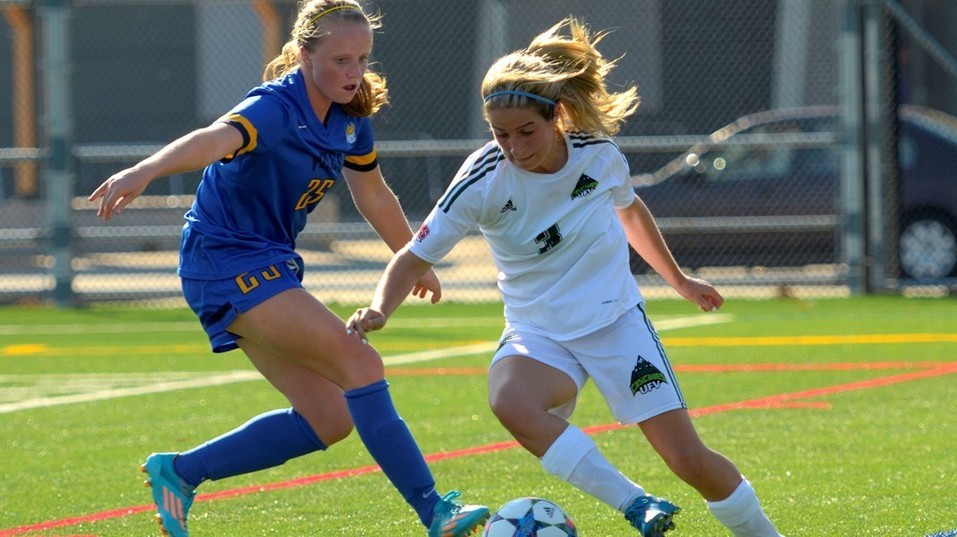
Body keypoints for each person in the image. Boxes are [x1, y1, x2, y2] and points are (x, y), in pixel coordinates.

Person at [346, 16, 784, 537]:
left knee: (689, 460)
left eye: (526, 131)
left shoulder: (598, 156)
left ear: (556, 116)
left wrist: (679, 281)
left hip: (615, 323)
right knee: (509, 401)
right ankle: (635, 503)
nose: (513, 146)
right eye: (499, 133)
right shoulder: (481, 180)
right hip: (539, 333)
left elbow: (631, 211)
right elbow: (414, 257)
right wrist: (380, 307)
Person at [87, 2, 489, 536]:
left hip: (265, 262)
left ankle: (180, 472)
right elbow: (214, 139)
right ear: (304, 54)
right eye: (341, 60)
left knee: (330, 417)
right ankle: (435, 511)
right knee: (360, 364)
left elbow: (372, 191)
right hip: (226, 259)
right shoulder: (276, 106)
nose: (354, 73)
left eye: (363, 59)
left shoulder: (349, 119)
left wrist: (412, 257)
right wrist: (148, 169)